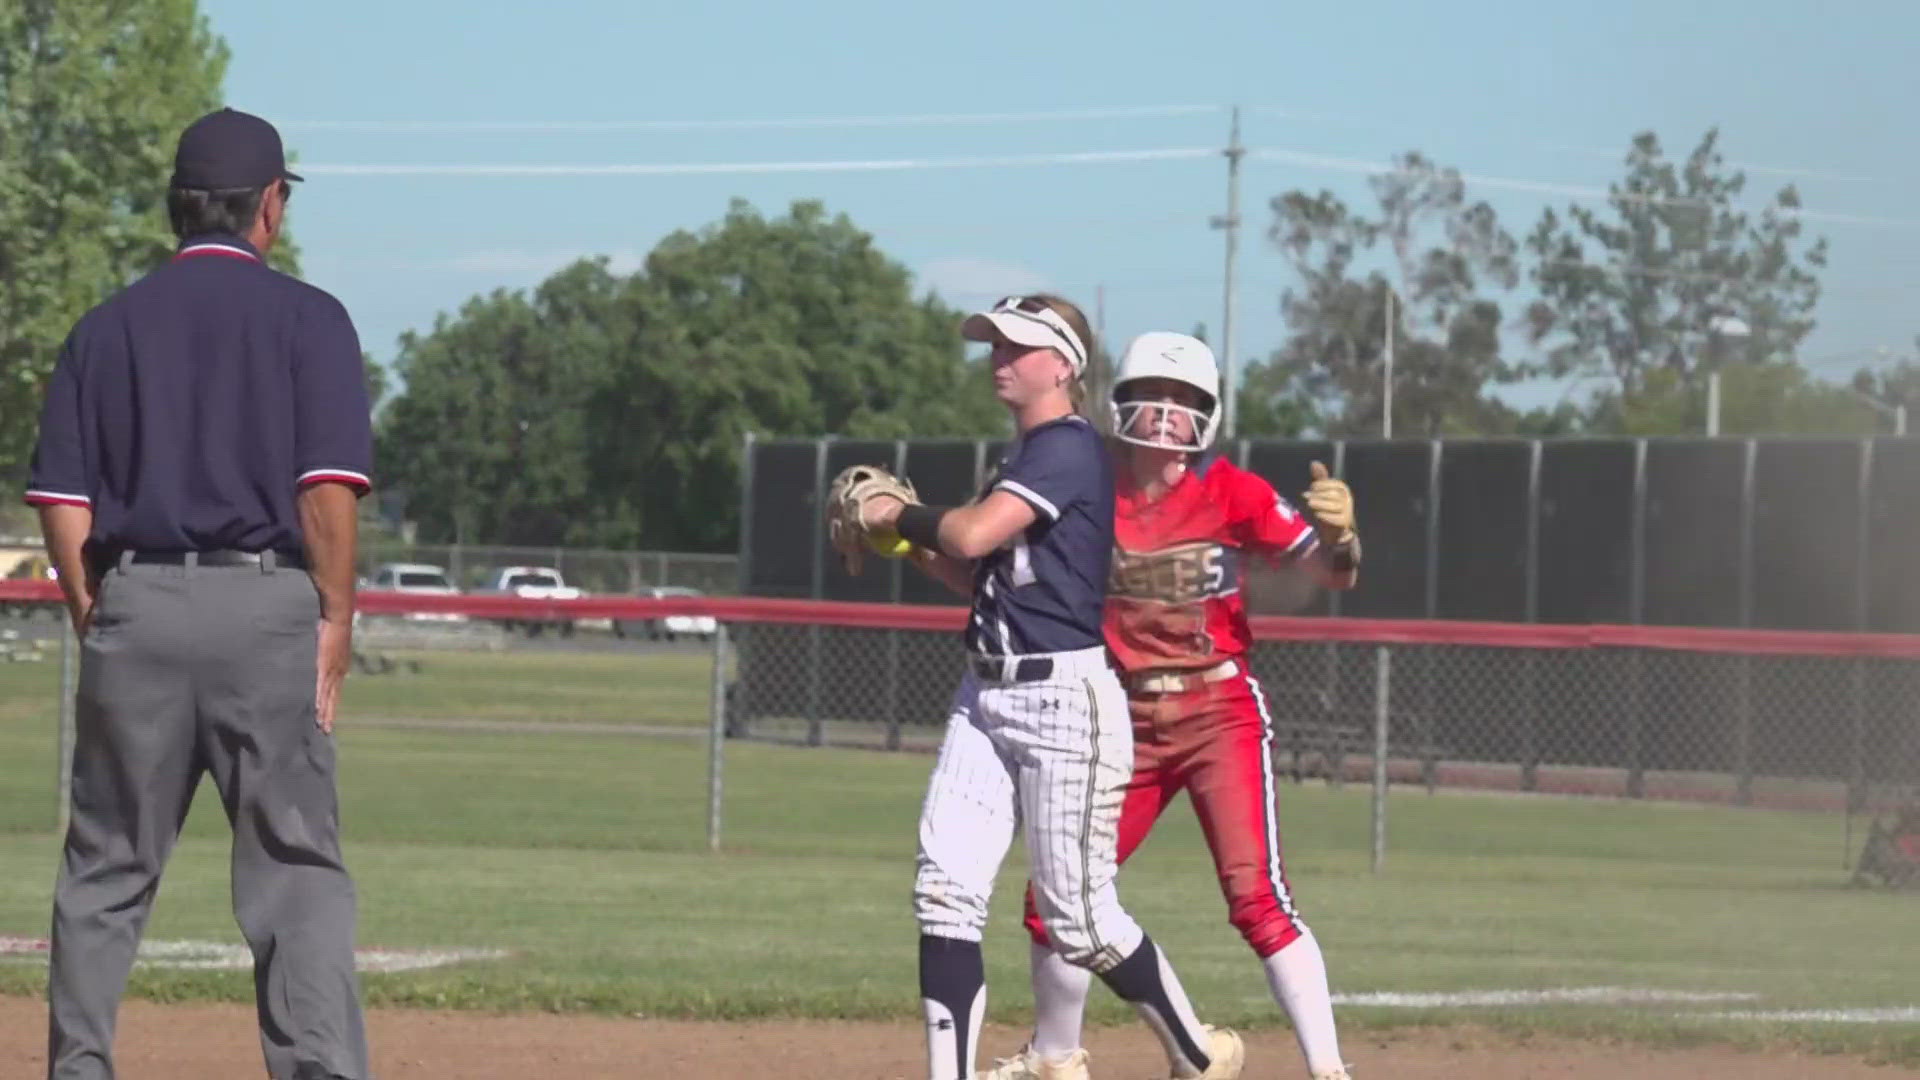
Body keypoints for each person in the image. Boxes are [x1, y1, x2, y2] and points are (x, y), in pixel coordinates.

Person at [25, 107, 374, 1080]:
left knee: (106, 867)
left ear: (180, 208)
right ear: (270, 206)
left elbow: (64, 506)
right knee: (295, 866)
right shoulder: (311, 320)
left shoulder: (105, 328)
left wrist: (104, 615)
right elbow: (325, 498)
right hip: (266, 612)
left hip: (136, 601)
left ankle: (81, 1068)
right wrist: (335, 620)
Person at [853, 296, 1245, 1080]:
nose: (999, 356)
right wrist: (899, 539)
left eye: (1017, 346)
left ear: (1062, 365)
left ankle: (1198, 1054)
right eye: (994, 343)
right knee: (945, 895)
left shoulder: (1068, 448)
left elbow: (967, 531)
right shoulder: (1028, 456)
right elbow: (976, 571)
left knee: (1083, 919)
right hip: (985, 695)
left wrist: (902, 508)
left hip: (1064, 703)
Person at [986, 331, 1362, 1080]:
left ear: (1211, 413)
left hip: (1217, 710)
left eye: (1186, 400)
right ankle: (1056, 1059)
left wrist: (1344, 536)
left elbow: (1334, 574)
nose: (1165, 413)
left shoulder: (1234, 492)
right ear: (1117, 402)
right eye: (1150, 394)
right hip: (1118, 716)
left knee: (1258, 899)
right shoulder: (1087, 481)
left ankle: (1331, 1073)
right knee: (1056, 896)